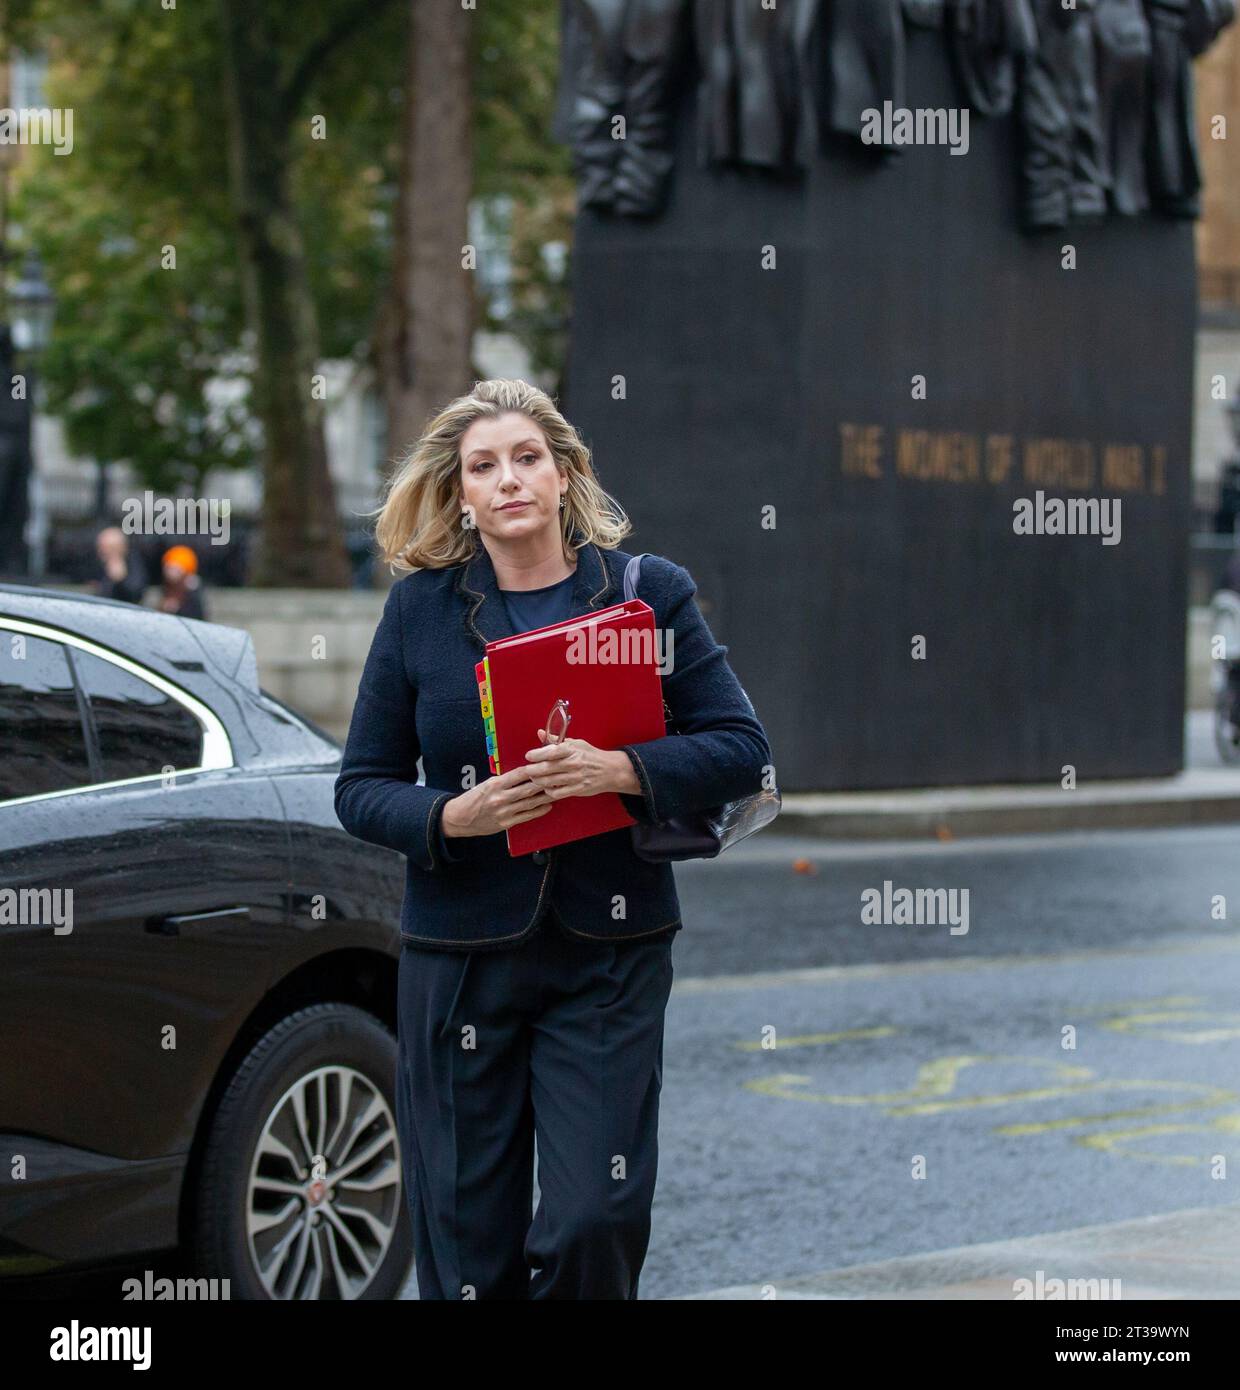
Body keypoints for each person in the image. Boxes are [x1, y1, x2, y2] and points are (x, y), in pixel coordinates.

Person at [334, 377, 772, 1300]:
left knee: (594, 1219)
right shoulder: (420, 611)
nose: (507, 481)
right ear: (461, 495)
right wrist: (452, 817)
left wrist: (622, 771)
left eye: (527, 459)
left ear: (566, 476)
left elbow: (741, 748)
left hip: (608, 953)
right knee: (463, 1240)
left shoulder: (649, 597)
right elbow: (361, 787)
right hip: (458, 954)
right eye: (482, 468)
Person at [93, 526, 148, 605]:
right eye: (100, 547)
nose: (101, 551)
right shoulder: (97, 563)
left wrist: (120, 579)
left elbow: (135, 595)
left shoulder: (134, 563)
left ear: (122, 548)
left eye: (107, 548)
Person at [158, 544, 207, 620]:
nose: (170, 572)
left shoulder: (193, 591)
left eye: (176, 569)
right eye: (169, 567)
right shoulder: (165, 588)